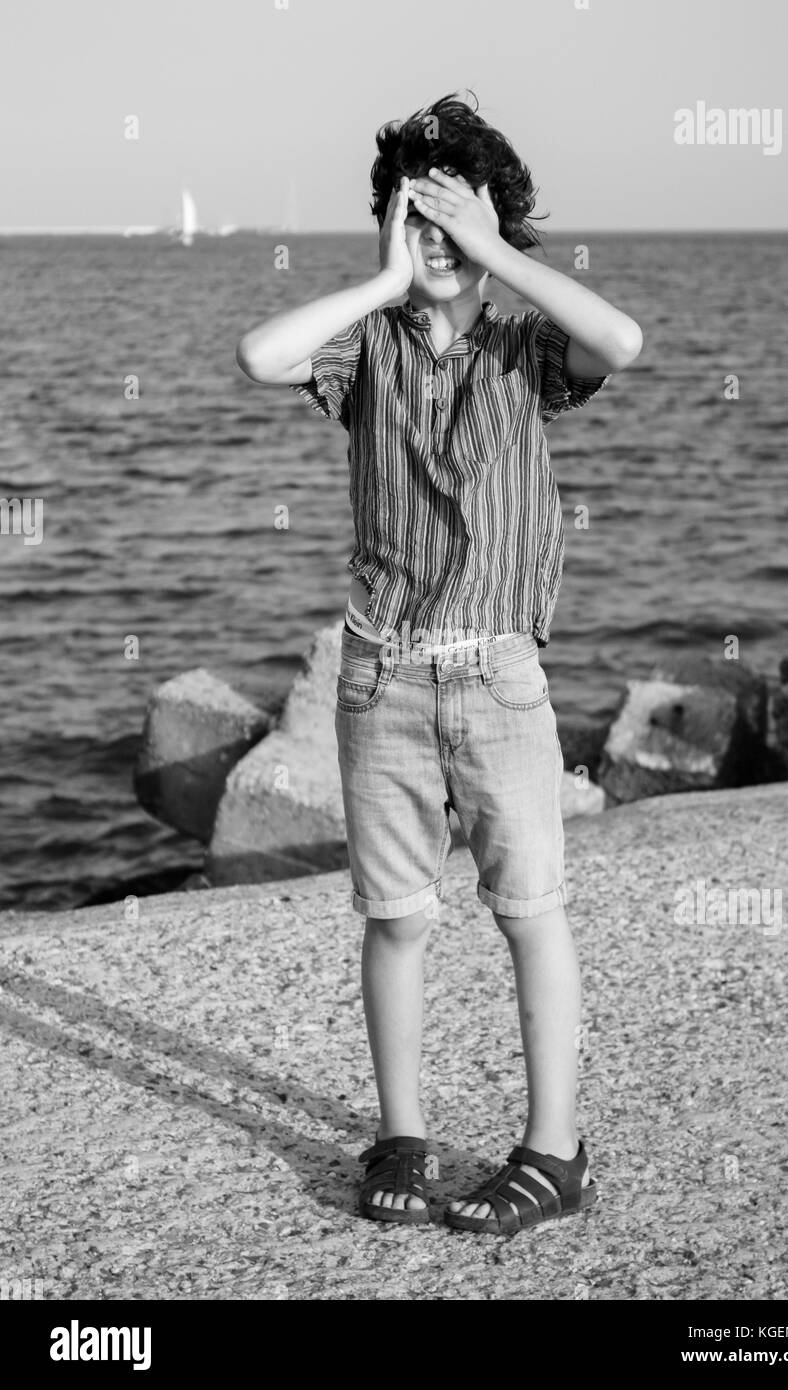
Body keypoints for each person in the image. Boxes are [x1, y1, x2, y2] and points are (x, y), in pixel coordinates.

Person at [236, 92, 642, 1234]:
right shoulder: (366, 349)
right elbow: (258, 355)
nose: (435, 239)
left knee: (529, 910)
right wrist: (384, 278)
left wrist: (491, 248)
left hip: (498, 675)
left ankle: (553, 1152)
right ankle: (403, 1137)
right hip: (383, 677)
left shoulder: (526, 350)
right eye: (414, 216)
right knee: (397, 917)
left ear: (494, 225)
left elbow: (620, 342)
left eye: (453, 215)